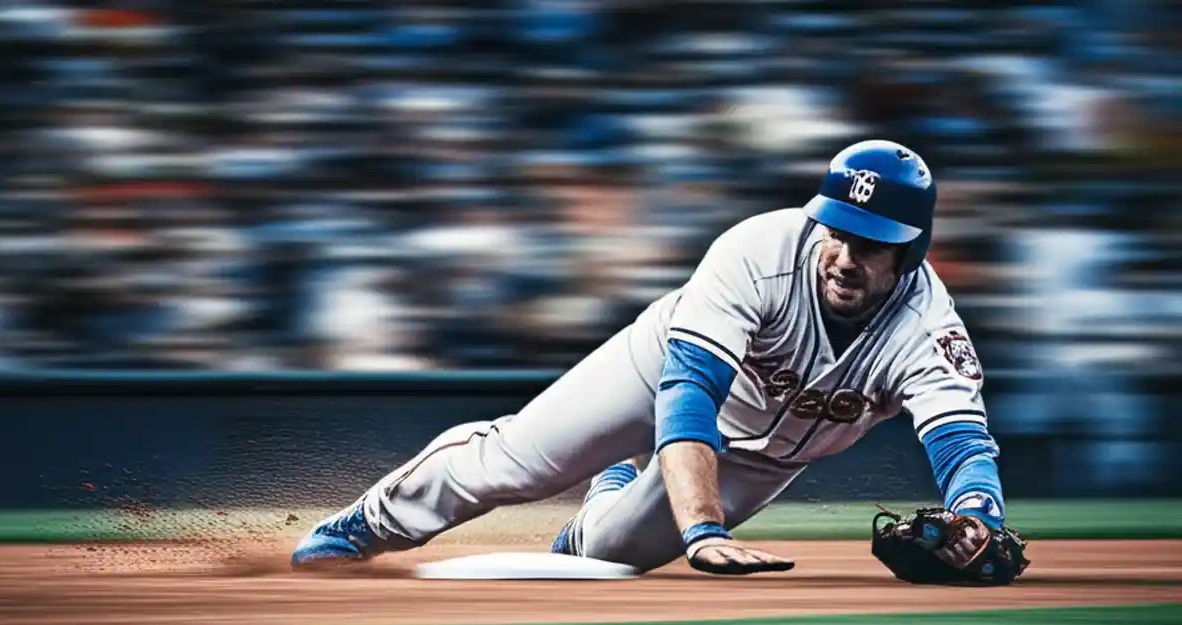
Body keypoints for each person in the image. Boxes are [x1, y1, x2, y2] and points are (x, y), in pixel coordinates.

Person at [292, 140, 1006, 575]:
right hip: (660, 371)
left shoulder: (927, 328)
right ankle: (362, 525)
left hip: (766, 456)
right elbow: (690, 391)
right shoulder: (757, 252)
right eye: (837, 232)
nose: (845, 256)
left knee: (602, 558)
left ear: (910, 252)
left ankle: (611, 487)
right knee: (517, 464)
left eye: (871, 244)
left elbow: (960, 441)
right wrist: (703, 530)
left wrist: (978, 517)